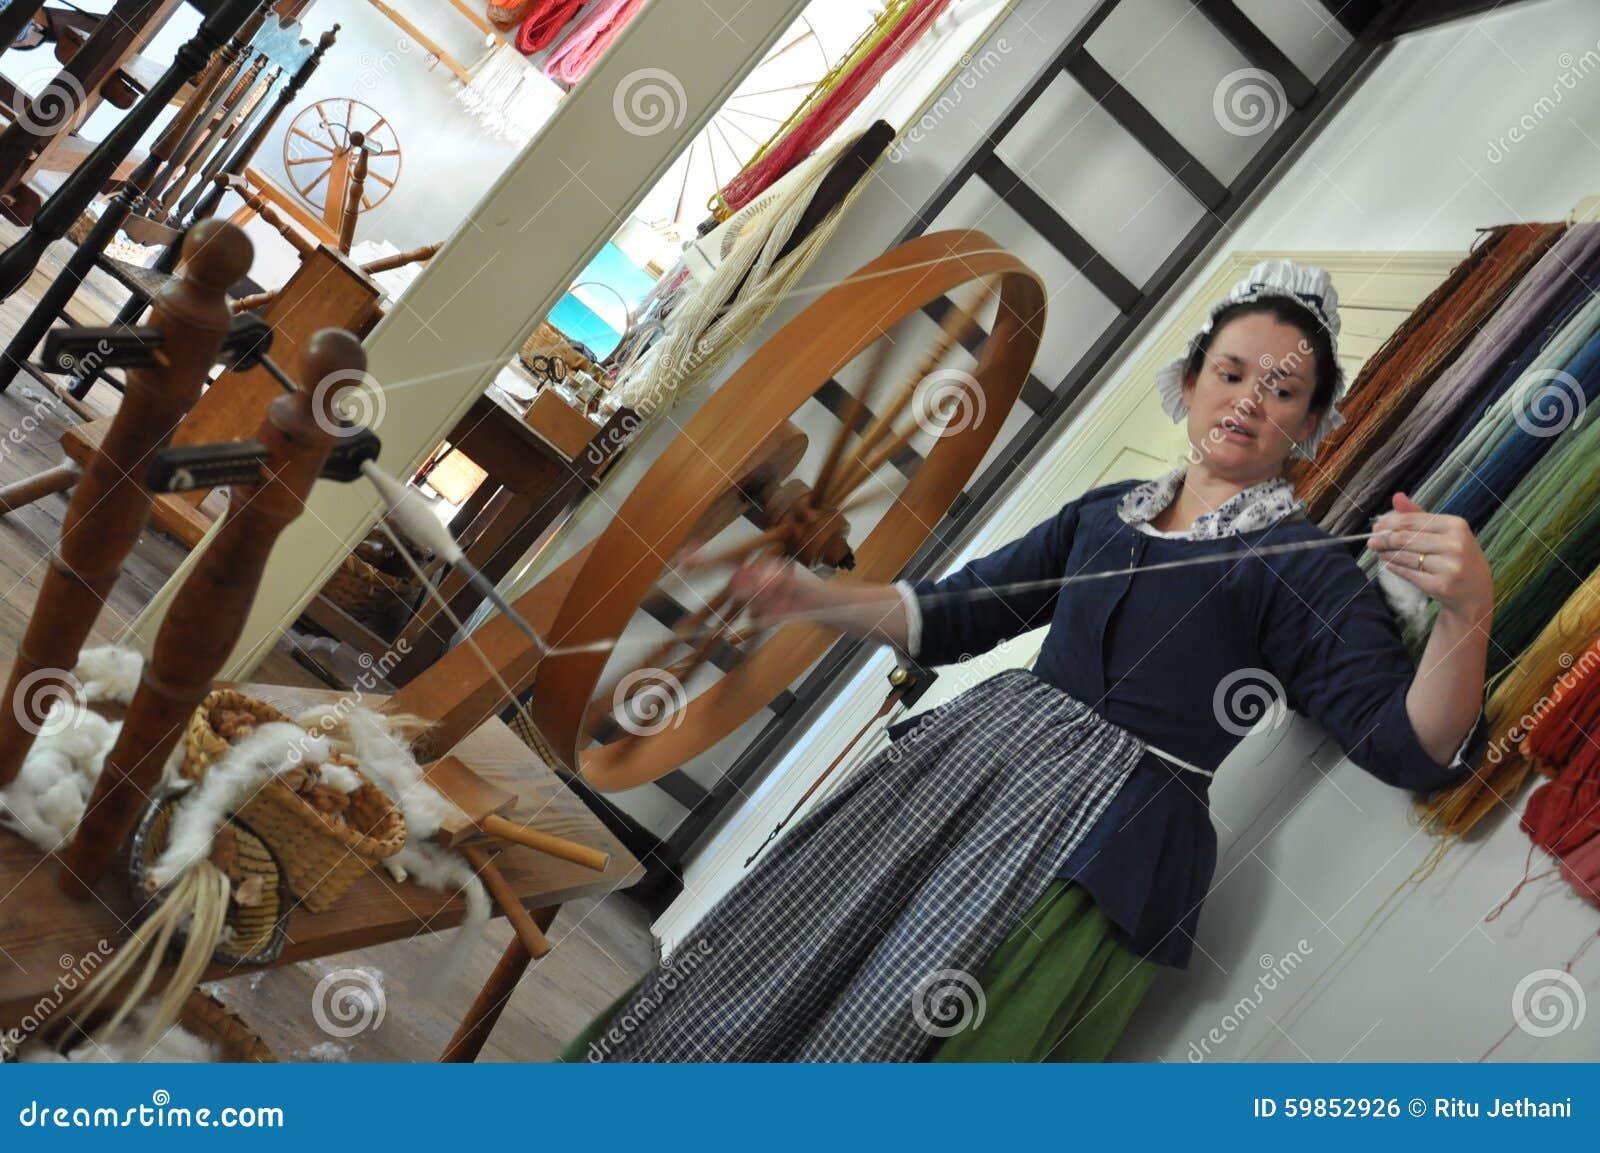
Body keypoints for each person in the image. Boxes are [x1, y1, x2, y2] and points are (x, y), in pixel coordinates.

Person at [558, 259, 1494, 1063]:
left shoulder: (1302, 566)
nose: (1248, 398)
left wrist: (1467, 608)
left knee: (905, 1030)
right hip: (959, 773)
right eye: (1232, 370)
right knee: (788, 952)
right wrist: (801, 594)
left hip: (1091, 843)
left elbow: (1409, 747)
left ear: (1311, 421)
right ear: (1194, 378)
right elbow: (955, 615)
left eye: (1281, 389)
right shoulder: (1107, 509)